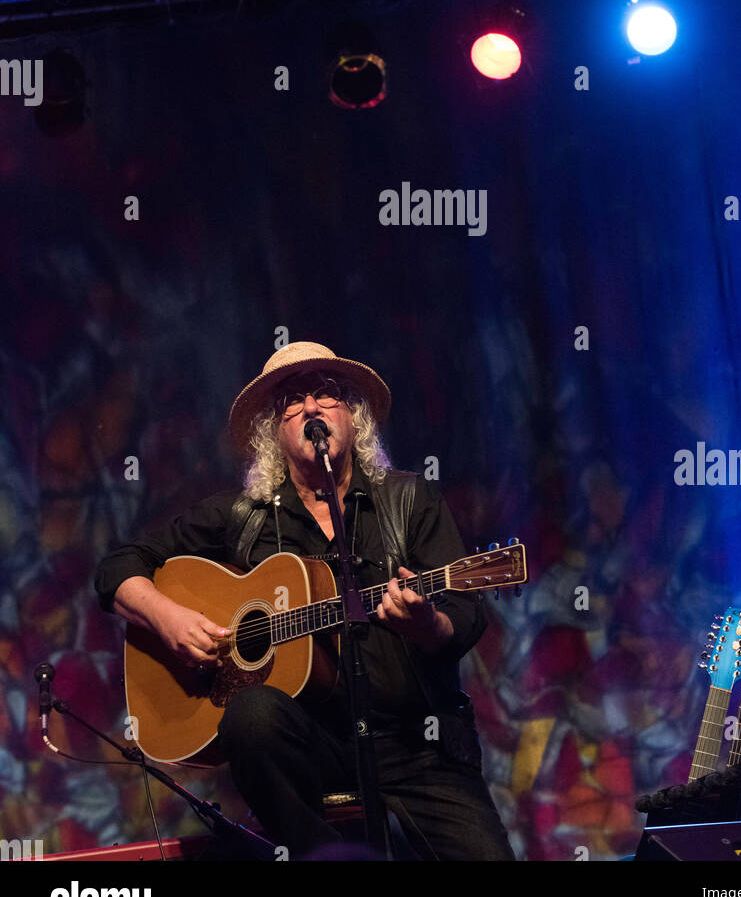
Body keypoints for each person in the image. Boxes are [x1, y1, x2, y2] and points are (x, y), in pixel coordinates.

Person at [94, 341, 515, 860]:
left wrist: (426, 625)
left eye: (326, 393)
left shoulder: (409, 499)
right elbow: (117, 567)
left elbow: (465, 617)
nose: (312, 407)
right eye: (293, 400)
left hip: (416, 744)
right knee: (251, 716)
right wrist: (167, 617)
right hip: (311, 747)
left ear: (352, 416)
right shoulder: (242, 517)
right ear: (274, 429)